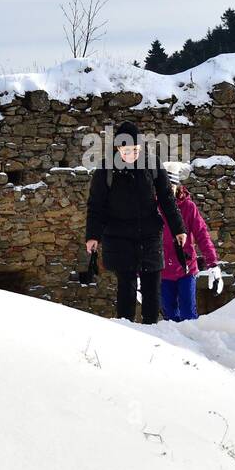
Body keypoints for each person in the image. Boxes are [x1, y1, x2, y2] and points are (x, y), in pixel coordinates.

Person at [85, 121, 186, 323]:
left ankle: (152, 329)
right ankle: (127, 330)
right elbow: (96, 205)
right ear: (118, 148)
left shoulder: (152, 165)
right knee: (126, 286)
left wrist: (178, 229)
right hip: (119, 235)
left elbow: (166, 198)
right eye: (126, 149)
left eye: (135, 149)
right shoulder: (106, 169)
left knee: (152, 286)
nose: (131, 153)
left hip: (149, 233)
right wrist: (93, 235)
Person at [157, 163, 223, 321]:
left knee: (188, 315)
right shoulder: (154, 208)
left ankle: (191, 344)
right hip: (163, 270)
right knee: (170, 317)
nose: (167, 191)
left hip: (186, 269)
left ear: (176, 186)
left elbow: (202, 235)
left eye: (170, 186)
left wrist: (213, 265)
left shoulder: (188, 207)